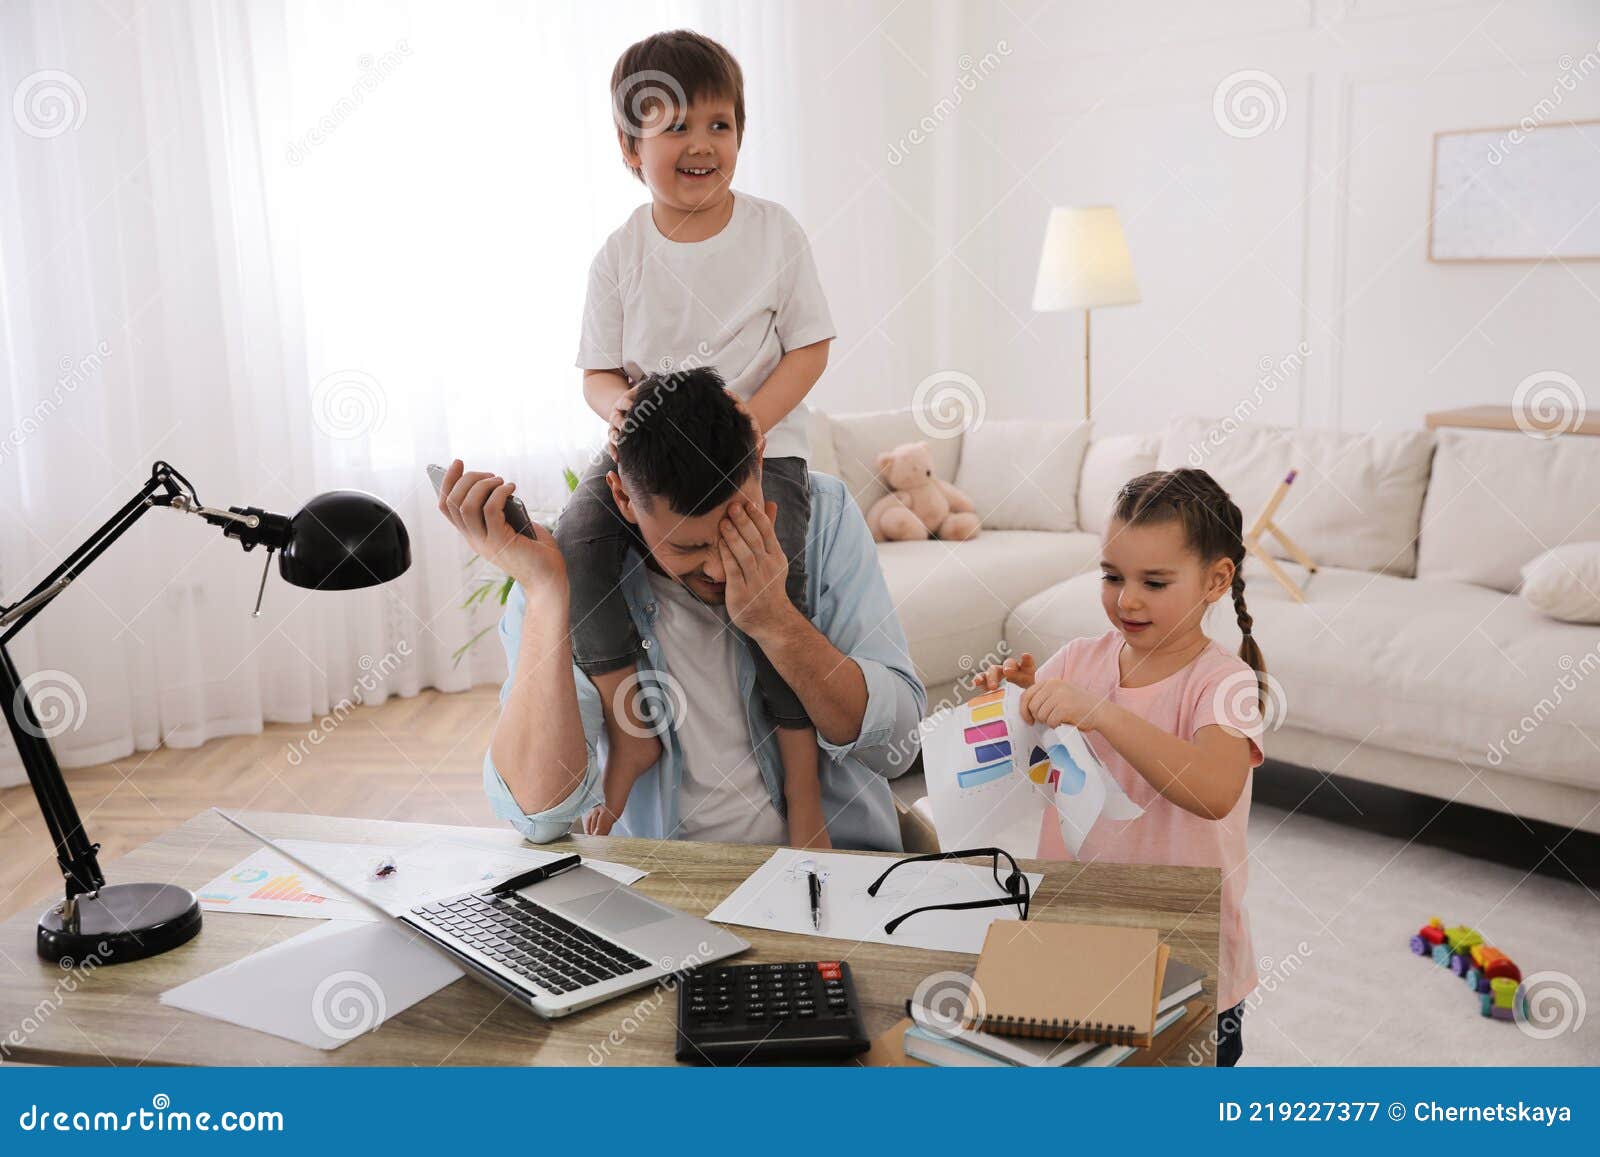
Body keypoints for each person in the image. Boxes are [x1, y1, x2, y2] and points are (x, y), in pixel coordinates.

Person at [437, 372, 923, 851]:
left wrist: (776, 621)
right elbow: (538, 815)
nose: (718, 567)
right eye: (688, 547)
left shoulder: (825, 515)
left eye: (736, 524)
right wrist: (544, 593)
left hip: (837, 876)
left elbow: (896, 747)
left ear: (758, 457)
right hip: (664, 889)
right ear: (624, 498)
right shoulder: (570, 569)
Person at [559, 30, 836, 847]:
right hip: (656, 452)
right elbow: (597, 374)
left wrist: (752, 422)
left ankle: (803, 792)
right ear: (628, 148)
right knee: (574, 535)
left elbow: (810, 346)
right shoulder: (620, 256)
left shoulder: (774, 233)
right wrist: (627, 418)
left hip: (758, 448)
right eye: (674, 127)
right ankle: (631, 727)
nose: (700, 144)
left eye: (719, 125)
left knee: (777, 586)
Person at [976, 468, 1267, 1066]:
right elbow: (1028, 762)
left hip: (1183, 946)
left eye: (1154, 582)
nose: (1126, 599)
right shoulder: (1078, 659)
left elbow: (1214, 790)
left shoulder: (1224, 682)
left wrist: (1102, 714)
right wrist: (1011, 701)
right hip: (1077, 927)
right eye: (1112, 576)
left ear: (1216, 580)